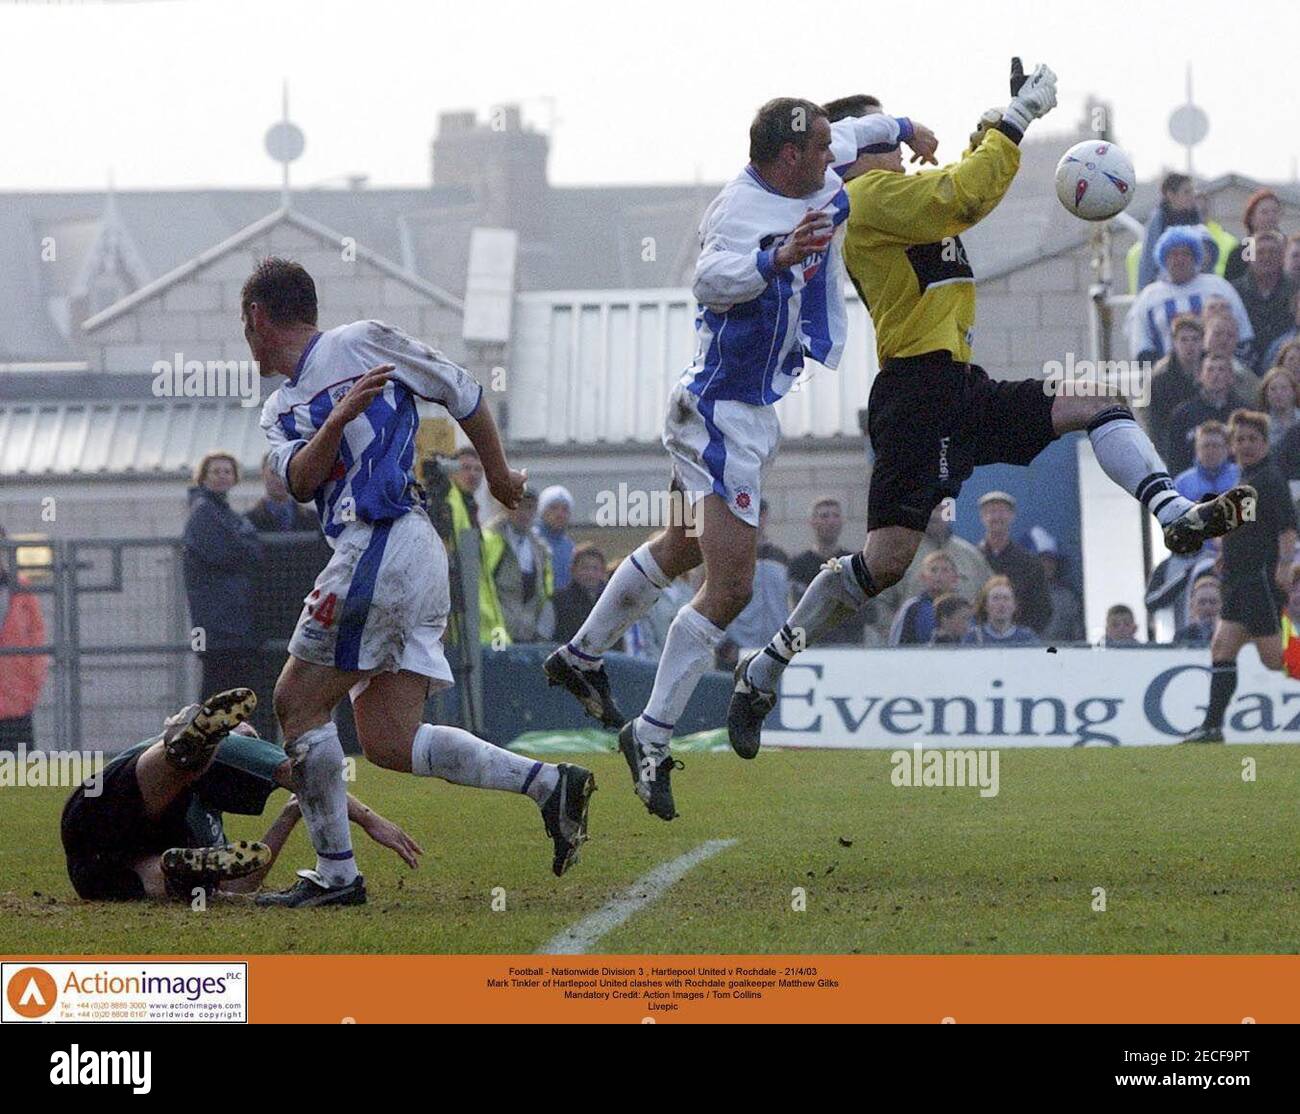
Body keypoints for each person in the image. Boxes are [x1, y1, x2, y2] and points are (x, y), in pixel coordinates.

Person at [727, 59, 1254, 758]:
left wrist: (994, 120)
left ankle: (1176, 515)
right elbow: (964, 195)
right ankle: (764, 668)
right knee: (884, 563)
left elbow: (964, 181)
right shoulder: (872, 199)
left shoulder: (891, 189)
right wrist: (1018, 120)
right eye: (882, 133)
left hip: (957, 384)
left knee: (1097, 405)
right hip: (915, 396)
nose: (895, 143)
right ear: (859, 150)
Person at [542, 98, 938, 819]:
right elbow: (711, 280)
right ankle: (652, 735)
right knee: (729, 588)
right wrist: (776, 258)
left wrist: (910, 130)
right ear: (788, 158)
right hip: (721, 415)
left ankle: (580, 655)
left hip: (731, 408)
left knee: (679, 545)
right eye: (822, 148)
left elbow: (865, 130)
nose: (835, 155)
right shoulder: (740, 212)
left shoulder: (815, 164)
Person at [244, 257, 594, 905]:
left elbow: (463, 391)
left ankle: (338, 879)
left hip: (385, 539)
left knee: (296, 702)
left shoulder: (359, 341)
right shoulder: (278, 409)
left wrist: (495, 474)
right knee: (388, 740)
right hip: (392, 551)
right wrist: (340, 417)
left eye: (246, 324)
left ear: (257, 317)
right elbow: (298, 481)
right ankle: (551, 784)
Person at [59, 688, 420, 901]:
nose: (244, 733)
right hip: (102, 807)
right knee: (178, 767)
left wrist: (290, 815)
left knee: (171, 870)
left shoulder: (204, 818)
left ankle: (172, 869)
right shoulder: (234, 745)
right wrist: (370, 819)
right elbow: (298, 774)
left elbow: (239, 883)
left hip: (95, 876)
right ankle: (179, 746)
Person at [1183, 410, 1298, 743]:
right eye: (1241, 439)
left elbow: (1287, 527)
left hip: (1257, 581)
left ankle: (1211, 725)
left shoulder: (1269, 479)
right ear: (1232, 445)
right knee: (1222, 647)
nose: (1246, 445)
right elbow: (1245, 529)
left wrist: (1283, 564)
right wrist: (1225, 556)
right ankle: (1212, 727)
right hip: (1237, 580)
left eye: (1253, 439)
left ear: (1264, 443)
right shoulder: (1245, 479)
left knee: (1276, 659)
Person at [183, 452, 264, 705]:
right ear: (203, 476)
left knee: (225, 689)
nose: (221, 476)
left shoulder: (221, 511)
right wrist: (246, 543)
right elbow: (229, 552)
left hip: (228, 621)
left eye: (227, 471)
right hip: (218, 623)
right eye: (215, 471)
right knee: (217, 689)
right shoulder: (204, 512)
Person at [1127, 227, 1253, 365]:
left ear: (1196, 257)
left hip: (1217, 375)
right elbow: (1140, 344)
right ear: (1163, 258)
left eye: (1185, 254)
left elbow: (1243, 333)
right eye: (1173, 254)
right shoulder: (1149, 296)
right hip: (1168, 379)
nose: (1179, 259)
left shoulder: (1218, 287)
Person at [870, 499, 992, 641]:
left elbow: (990, 598)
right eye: (929, 509)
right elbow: (879, 599)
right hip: (913, 651)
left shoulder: (971, 556)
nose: (934, 515)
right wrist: (894, 630)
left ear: (950, 513)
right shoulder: (899, 553)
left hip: (965, 651)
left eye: (941, 509)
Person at [442, 445, 510, 647]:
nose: (472, 474)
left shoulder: (468, 506)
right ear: (452, 471)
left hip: (479, 623)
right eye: (466, 468)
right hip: (465, 624)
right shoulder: (451, 504)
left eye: (478, 469)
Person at [785, 498, 868, 645]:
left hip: (850, 646)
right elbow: (798, 610)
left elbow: (868, 610)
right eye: (824, 516)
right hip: (812, 645)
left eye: (836, 516)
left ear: (842, 522)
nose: (831, 521)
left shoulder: (854, 563)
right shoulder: (798, 565)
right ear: (812, 522)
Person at [973, 492, 1052, 634]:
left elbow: (1042, 609)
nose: (996, 517)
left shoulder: (1030, 563)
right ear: (982, 517)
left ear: (1012, 516)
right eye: (991, 511)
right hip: (979, 643)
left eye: (1002, 511)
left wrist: (1019, 636)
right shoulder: (972, 558)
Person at [483, 487, 555, 643]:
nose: (524, 513)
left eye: (529, 507)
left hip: (527, 637)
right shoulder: (488, 541)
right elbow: (481, 590)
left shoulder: (540, 549)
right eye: (518, 506)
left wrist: (541, 633)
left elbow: (545, 595)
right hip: (494, 638)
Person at [0, 526, 49, 750]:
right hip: (15, 697)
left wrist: (29, 690)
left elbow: (36, 639)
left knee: (20, 771)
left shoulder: (20, 588)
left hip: (15, 702)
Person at [723, 500, 791, 655]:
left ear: (765, 516)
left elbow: (788, 602)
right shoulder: (727, 556)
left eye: (759, 514)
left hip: (775, 650)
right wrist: (724, 644)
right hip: (737, 651)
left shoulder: (781, 557)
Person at [1165, 354, 1247, 475]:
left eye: (1221, 369)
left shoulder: (1243, 413)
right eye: (1210, 369)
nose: (1216, 375)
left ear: (1231, 377)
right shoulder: (1182, 415)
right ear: (1199, 376)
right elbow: (1174, 460)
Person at [1232, 231, 1296, 373]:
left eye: (1273, 252)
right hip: (1244, 368)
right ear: (1249, 256)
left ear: (1282, 257)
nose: (1266, 257)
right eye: (1260, 252)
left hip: (1285, 369)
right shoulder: (1234, 291)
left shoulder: (1295, 291)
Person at [1137, 172, 1201, 291]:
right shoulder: (1159, 219)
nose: (1193, 196)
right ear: (1171, 195)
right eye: (1187, 192)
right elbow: (1148, 260)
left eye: (1193, 191)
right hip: (1166, 287)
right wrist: (1144, 291)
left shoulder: (1195, 218)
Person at [551, 543, 618, 646]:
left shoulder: (612, 602)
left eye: (595, 568)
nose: (590, 574)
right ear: (573, 570)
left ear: (603, 572)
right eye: (585, 568)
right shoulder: (557, 601)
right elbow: (543, 638)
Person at [889, 550, 958, 645]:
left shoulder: (963, 608)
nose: (938, 575)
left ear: (955, 578)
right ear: (923, 577)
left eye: (945, 570)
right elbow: (898, 645)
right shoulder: (912, 608)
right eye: (933, 570)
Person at [1029, 528, 1085, 644]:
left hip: (1059, 657)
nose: (1047, 565)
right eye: (1042, 560)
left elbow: (1078, 637)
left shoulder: (1068, 597)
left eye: (1051, 561)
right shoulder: (1014, 596)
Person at [245, 452, 319, 533]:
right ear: (262, 474)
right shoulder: (248, 522)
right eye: (274, 472)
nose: (280, 479)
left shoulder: (313, 520)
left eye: (286, 472)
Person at [1223, 188, 1284, 284]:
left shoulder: (1288, 248)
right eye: (1265, 212)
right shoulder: (1240, 252)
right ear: (1251, 217)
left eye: (1275, 212)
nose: (1271, 217)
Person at [1174, 420, 1240, 504]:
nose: (1210, 451)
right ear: (1197, 449)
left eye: (1215, 446)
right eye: (1206, 446)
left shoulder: (1239, 475)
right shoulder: (1182, 484)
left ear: (1227, 449)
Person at [961, 576, 1039, 646]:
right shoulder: (973, 637)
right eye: (995, 598)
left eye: (1006, 598)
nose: (1001, 604)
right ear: (985, 605)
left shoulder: (1027, 638)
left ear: (1014, 605)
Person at [535, 486, 576, 591]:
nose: (559, 514)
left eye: (565, 509)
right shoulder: (532, 541)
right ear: (542, 511)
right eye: (553, 508)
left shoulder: (570, 547)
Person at [1256, 367, 1300, 449]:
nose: (1278, 393)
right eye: (1273, 389)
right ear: (1265, 393)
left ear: (1294, 392)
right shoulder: (1259, 425)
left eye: (1284, 388)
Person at [1174, 575, 1222, 648]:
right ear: (1193, 606)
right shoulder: (1182, 636)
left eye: (1213, 602)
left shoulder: (1230, 634)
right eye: (1202, 602)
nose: (1207, 607)